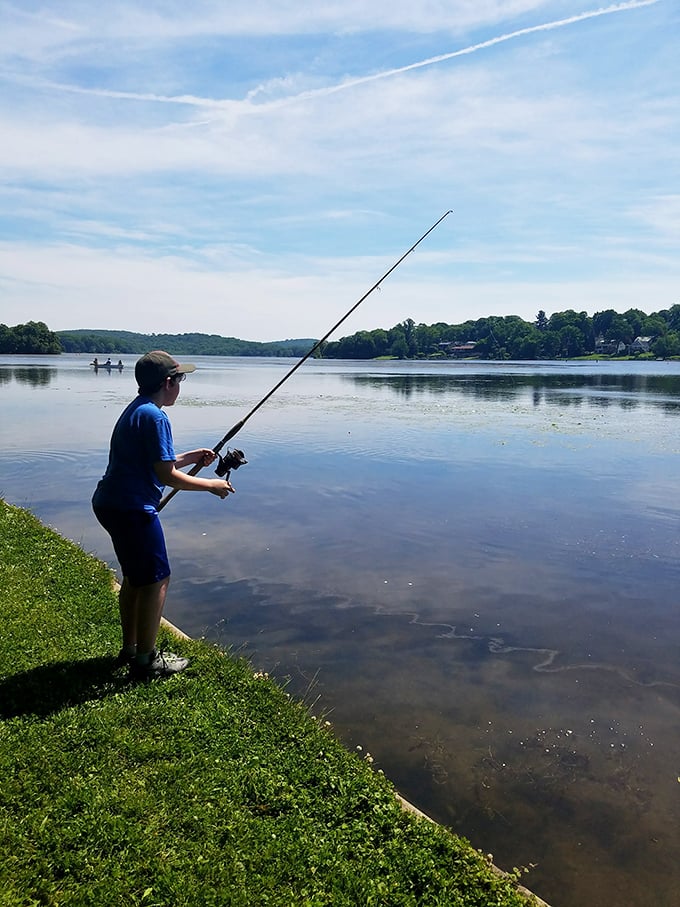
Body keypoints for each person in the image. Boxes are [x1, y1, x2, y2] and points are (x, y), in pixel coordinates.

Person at [92, 350, 234, 680]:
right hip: (132, 510)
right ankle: (146, 660)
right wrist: (211, 485)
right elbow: (167, 477)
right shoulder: (156, 417)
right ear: (168, 383)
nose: (181, 386)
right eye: (180, 379)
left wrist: (189, 456)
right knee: (157, 580)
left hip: (110, 503)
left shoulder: (137, 410)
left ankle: (131, 649)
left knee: (135, 578)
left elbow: (158, 464)